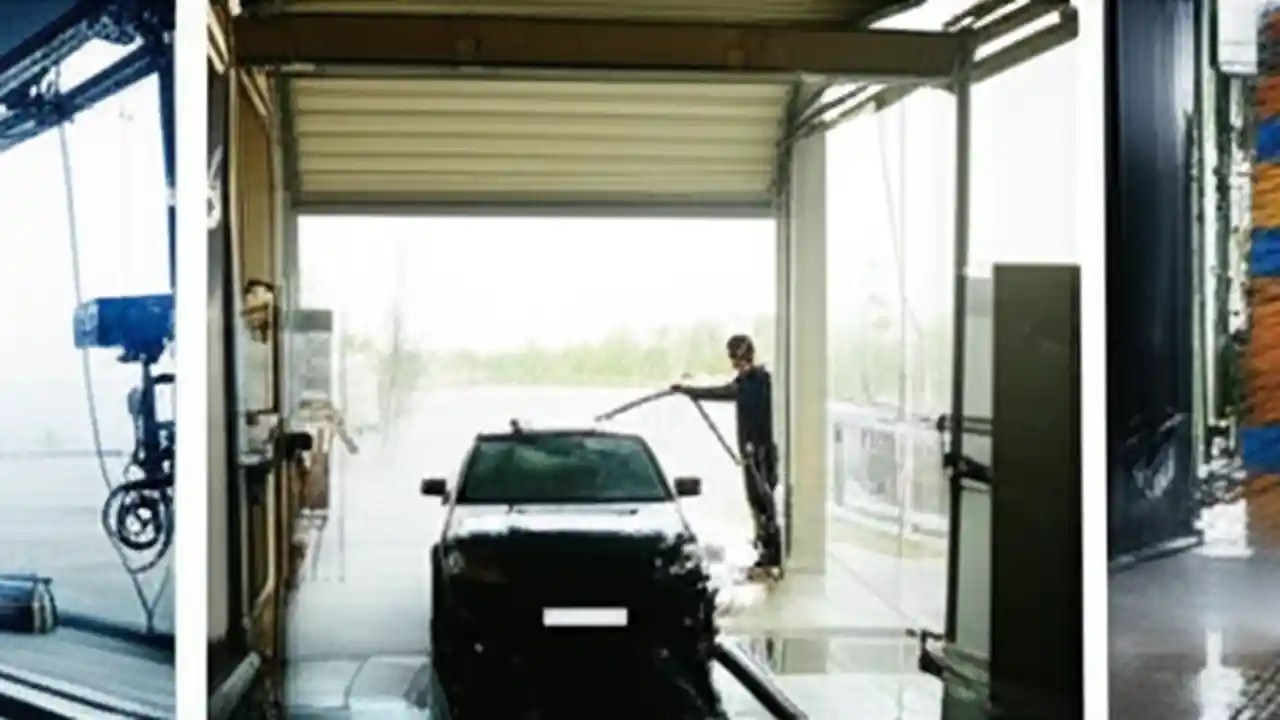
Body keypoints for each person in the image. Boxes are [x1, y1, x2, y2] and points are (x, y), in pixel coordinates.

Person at [672, 334, 781, 571]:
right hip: (752, 450)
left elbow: (726, 393)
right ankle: (765, 545)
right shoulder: (750, 380)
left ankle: (771, 550)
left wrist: (691, 391)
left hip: (759, 451)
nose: (733, 361)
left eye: (734, 355)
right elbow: (726, 391)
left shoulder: (757, 381)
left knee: (762, 499)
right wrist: (690, 391)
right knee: (757, 499)